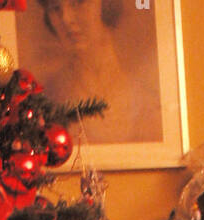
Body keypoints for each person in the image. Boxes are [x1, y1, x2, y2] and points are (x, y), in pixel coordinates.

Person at [31, 0, 162, 144]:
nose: (66, 18)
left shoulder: (149, 101)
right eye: (55, 9)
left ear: (106, 4)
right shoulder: (48, 98)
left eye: (77, 3)